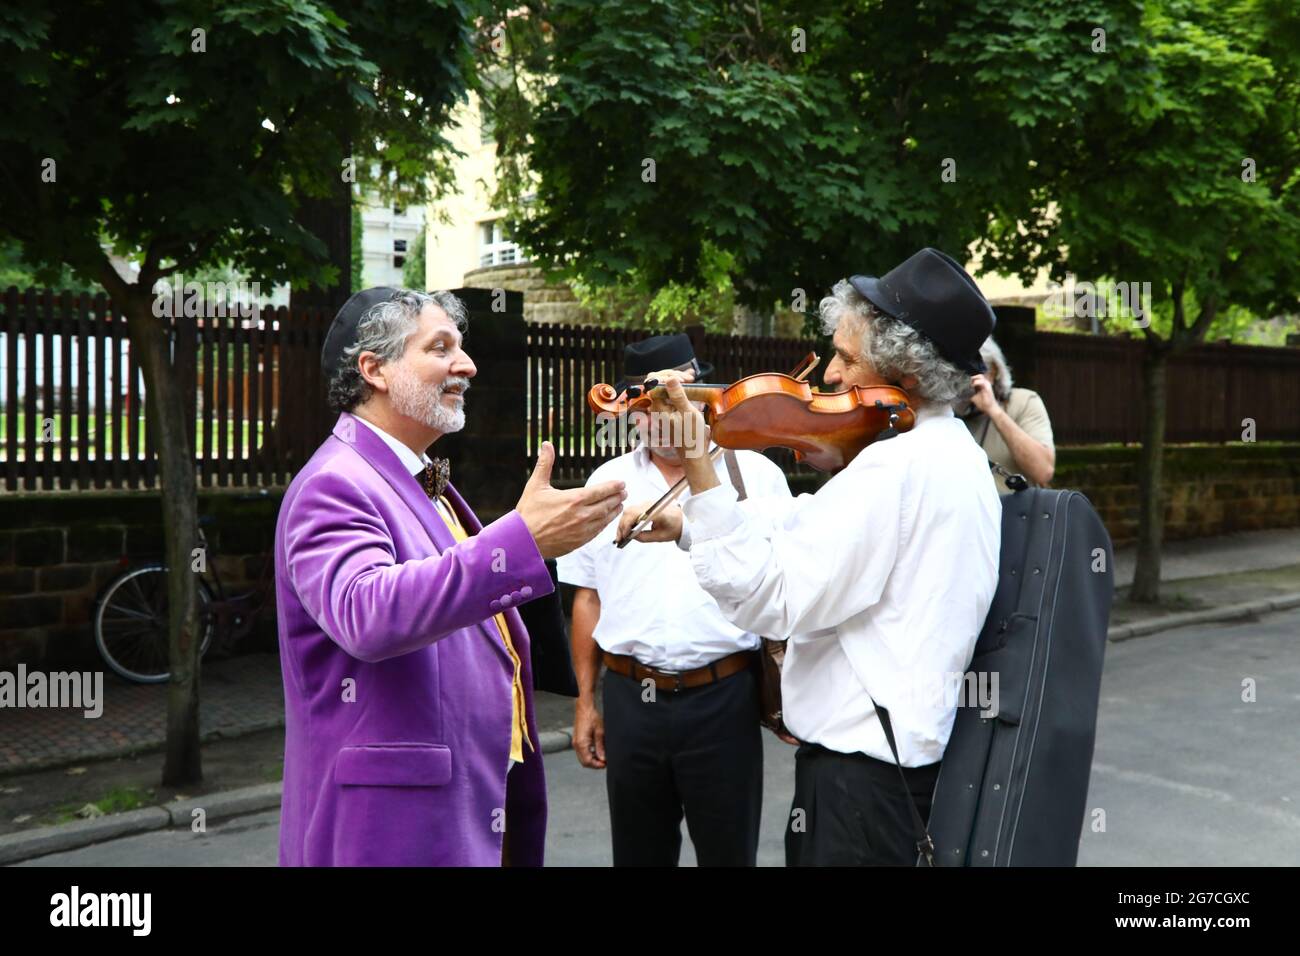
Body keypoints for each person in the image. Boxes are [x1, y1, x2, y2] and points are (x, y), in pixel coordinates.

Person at [619, 248, 1002, 866]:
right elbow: (809, 529)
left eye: (847, 358)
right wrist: (691, 525)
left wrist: (697, 459)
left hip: (862, 786)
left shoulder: (894, 466)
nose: (827, 375)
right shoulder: (949, 450)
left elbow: (771, 597)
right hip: (899, 772)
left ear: (902, 370)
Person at [275, 287, 627, 867]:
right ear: (375, 370)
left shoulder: (415, 477)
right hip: (390, 828)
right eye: (440, 348)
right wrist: (523, 542)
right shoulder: (334, 482)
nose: (466, 364)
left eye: (461, 347)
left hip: (469, 805)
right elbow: (367, 613)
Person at [557, 334, 793, 867]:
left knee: (729, 855)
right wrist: (586, 702)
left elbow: (784, 588)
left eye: (676, 402)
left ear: (703, 402)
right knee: (638, 857)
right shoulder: (606, 482)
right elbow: (587, 598)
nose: (663, 418)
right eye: (649, 407)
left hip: (725, 696)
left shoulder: (756, 476)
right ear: (632, 414)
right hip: (628, 695)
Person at [961, 336, 1055, 492]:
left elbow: (1043, 471)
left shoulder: (1024, 402)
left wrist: (993, 410)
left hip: (1014, 512)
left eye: (973, 371)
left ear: (993, 372)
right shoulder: (946, 413)